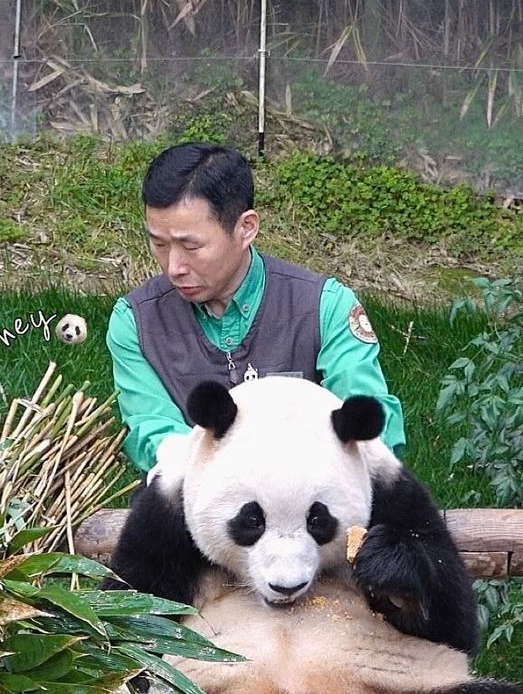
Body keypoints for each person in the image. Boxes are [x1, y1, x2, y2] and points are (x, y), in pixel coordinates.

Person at [106, 141, 406, 474]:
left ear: (246, 228)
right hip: (193, 498)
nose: (174, 267)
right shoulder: (135, 323)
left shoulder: (325, 308)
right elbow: (153, 431)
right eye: (159, 244)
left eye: (191, 246)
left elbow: (370, 431)